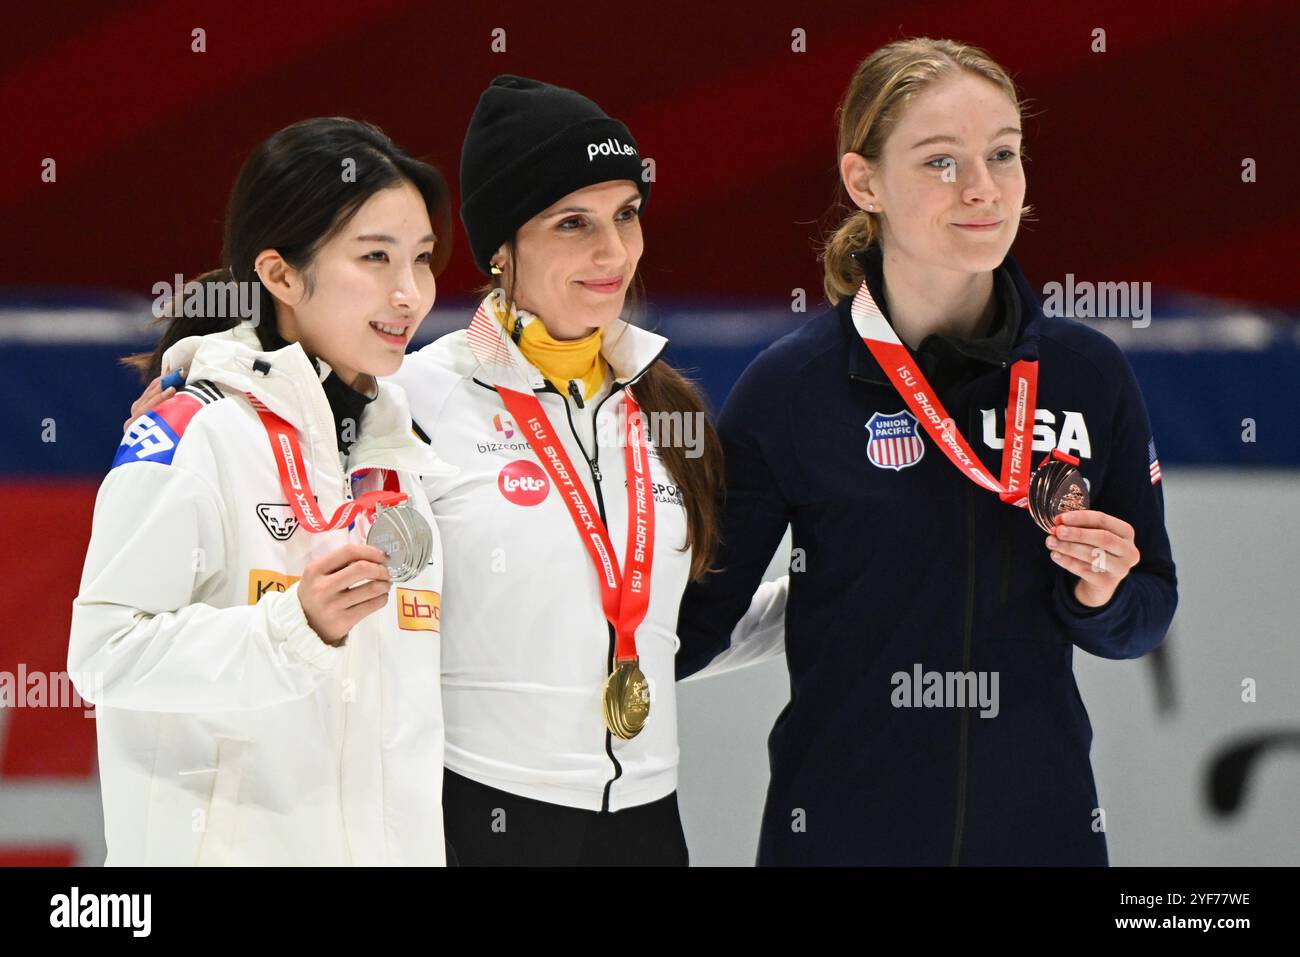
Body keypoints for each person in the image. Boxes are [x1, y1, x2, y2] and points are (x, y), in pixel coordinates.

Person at [675, 38, 1179, 865]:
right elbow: (693, 622)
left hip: (1041, 833)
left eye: (1003, 154)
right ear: (862, 181)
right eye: (940, 161)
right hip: (840, 837)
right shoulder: (794, 389)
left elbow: (1144, 617)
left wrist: (1104, 594)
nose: (983, 188)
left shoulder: (1087, 373)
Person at [389, 76, 787, 865]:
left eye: (626, 215)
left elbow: (681, 621)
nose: (614, 252)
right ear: (501, 246)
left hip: (649, 820)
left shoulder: (664, 406)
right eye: (574, 223)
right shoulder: (414, 405)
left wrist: (843, 590)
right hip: (480, 814)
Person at [71, 117, 458, 865]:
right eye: (375, 257)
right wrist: (293, 629)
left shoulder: (402, 457)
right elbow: (103, 653)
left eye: (421, 258)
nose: (409, 293)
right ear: (280, 274)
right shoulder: (193, 430)